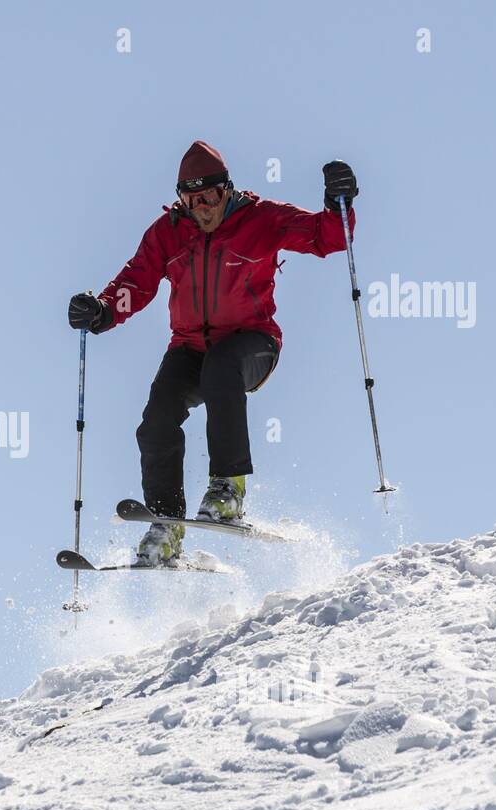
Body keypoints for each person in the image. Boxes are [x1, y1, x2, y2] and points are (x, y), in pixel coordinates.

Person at [68, 141, 358, 565]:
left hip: (252, 342)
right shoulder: (168, 232)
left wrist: (337, 205)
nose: (203, 209)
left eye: (211, 197)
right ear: (180, 200)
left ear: (227, 190)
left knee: (221, 369)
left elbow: (324, 237)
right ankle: (166, 524)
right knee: (157, 418)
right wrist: (103, 311)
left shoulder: (261, 218)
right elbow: (137, 279)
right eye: (192, 201)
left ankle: (228, 488)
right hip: (190, 346)